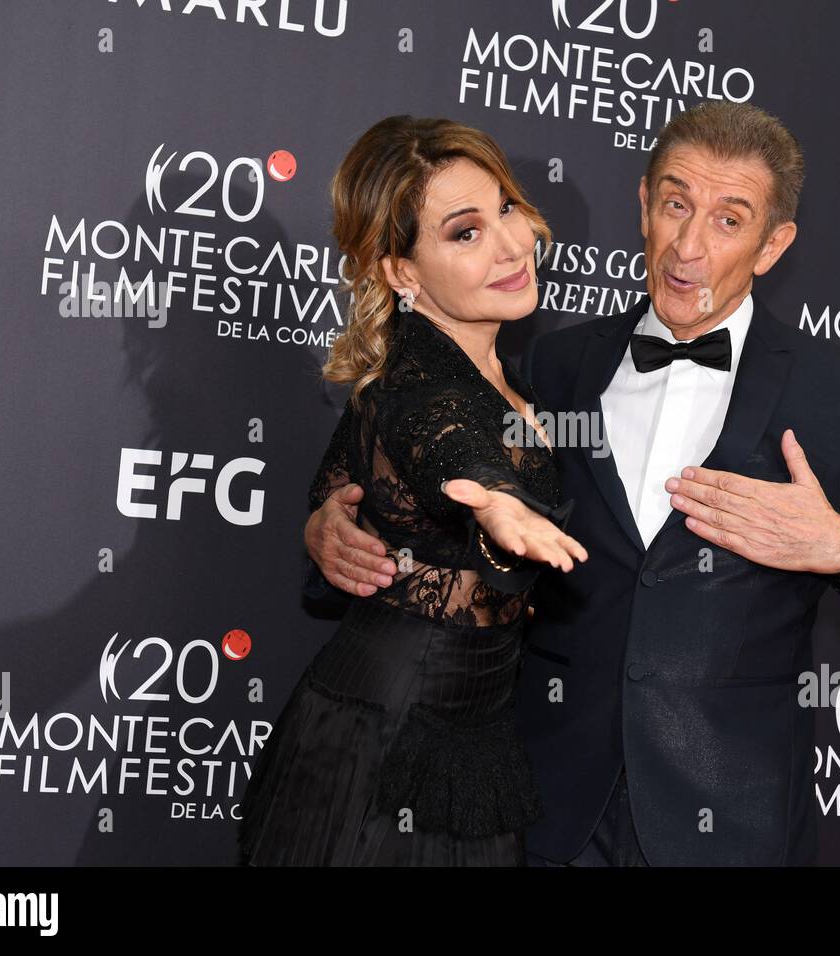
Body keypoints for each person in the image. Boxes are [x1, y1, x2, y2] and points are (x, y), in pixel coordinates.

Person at [307, 101, 840, 866]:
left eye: (729, 219)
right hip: (541, 815)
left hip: (728, 828)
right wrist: (331, 530)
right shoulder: (552, 369)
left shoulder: (836, 398)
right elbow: (430, 494)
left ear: (773, 244)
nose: (688, 246)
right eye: (676, 204)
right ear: (644, 203)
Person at [236, 115, 587, 867]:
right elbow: (443, 440)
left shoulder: (504, 377)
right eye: (464, 233)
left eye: (505, 209)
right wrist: (494, 501)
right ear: (402, 272)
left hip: (472, 726)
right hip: (386, 734)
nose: (511, 243)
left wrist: (321, 524)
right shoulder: (419, 382)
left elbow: (348, 483)